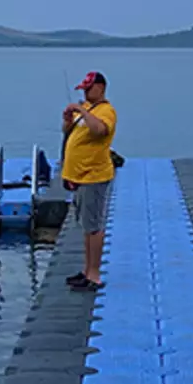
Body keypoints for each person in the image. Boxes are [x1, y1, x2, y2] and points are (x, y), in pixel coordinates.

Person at [61, 71, 117, 291]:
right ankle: (87, 270)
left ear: (100, 88)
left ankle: (94, 274)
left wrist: (82, 110)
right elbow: (70, 132)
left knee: (94, 226)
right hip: (79, 176)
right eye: (83, 89)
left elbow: (100, 130)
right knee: (87, 225)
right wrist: (68, 120)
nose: (85, 92)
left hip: (94, 175)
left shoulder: (106, 111)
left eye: (88, 88)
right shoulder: (89, 110)